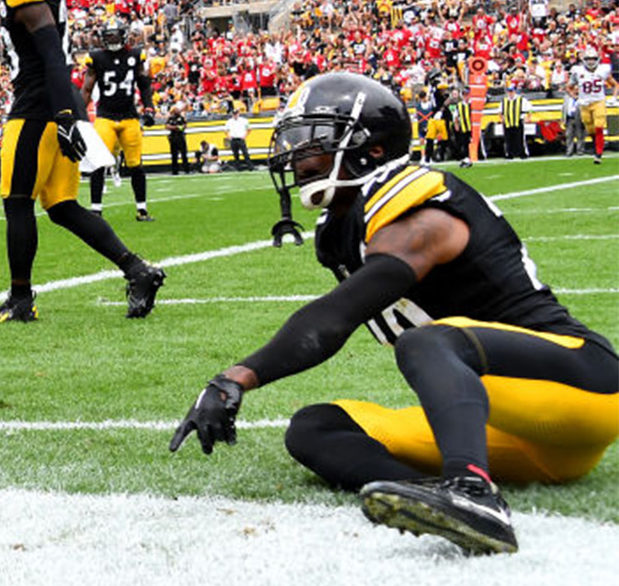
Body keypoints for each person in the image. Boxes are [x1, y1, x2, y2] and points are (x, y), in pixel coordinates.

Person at [170, 72, 617, 555]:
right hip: (510, 430)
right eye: (295, 141)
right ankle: (436, 500)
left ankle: (473, 494)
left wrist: (235, 378)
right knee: (314, 428)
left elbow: (336, 316)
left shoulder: (418, 208)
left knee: (427, 341)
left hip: (581, 387)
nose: (298, 154)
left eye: (313, 140)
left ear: (372, 149)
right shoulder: (344, 225)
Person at [0, 0, 165, 324]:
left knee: (16, 202)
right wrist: (71, 112)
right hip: (56, 104)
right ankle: (137, 270)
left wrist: (62, 115)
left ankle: (20, 299)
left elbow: (53, 57)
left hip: (37, 108)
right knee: (61, 206)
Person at [83, 22, 157, 221]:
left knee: (136, 165)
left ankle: (142, 209)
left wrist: (149, 107)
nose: (112, 39)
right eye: (109, 36)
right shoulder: (96, 57)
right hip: (105, 116)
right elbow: (87, 89)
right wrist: (80, 113)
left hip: (129, 116)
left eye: (116, 36)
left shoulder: (135, 55)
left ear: (124, 36)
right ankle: (96, 209)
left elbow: (144, 84)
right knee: (98, 164)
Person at [569, 47, 615, 163]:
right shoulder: (578, 71)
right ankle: (597, 145)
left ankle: (598, 154)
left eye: (593, 59)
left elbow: (615, 84)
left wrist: (614, 97)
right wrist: (575, 97)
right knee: (590, 129)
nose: (591, 62)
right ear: (584, 60)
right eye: (588, 59)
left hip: (598, 101)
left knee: (599, 127)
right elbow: (569, 87)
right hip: (584, 103)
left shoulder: (603, 70)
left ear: (597, 59)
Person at [499, 85, 527, 160]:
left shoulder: (521, 100)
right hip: (507, 122)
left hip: (517, 121)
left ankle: (521, 153)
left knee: (519, 138)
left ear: (515, 91)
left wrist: (524, 118)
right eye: (509, 92)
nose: (510, 93)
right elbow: (500, 111)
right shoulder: (504, 100)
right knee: (508, 139)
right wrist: (502, 119)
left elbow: (527, 110)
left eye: (512, 91)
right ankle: (509, 153)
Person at [165, 103, 190, 174]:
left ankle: (186, 169)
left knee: (184, 154)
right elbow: (167, 126)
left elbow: (185, 125)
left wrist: (180, 128)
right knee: (174, 155)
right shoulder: (171, 118)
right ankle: (175, 171)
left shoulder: (181, 118)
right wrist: (176, 128)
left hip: (181, 137)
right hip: (173, 137)